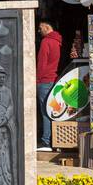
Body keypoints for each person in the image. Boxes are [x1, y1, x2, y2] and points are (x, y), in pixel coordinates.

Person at [36, 18, 62, 151]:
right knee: (53, 110)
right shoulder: (57, 42)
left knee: (45, 112)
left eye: (40, 28)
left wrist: (37, 80)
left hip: (44, 80)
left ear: (47, 27)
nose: (39, 31)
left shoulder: (46, 42)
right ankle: (57, 141)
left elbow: (41, 63)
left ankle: (46, 141)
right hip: (52, 79)